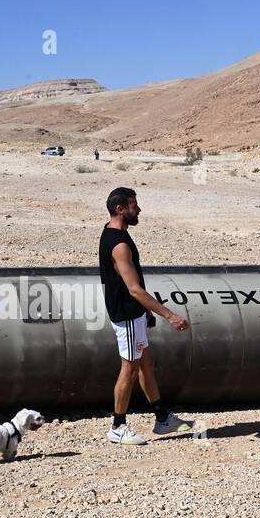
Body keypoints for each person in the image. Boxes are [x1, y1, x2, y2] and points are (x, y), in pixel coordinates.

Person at [98, 186, 194, 444]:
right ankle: (118, 426)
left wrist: (145, 314)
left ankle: (162, 418)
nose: (138, 209)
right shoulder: (118, 244)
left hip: (135, 315)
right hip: (127, 317)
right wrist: (169, 315)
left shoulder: (115, 234)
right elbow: (134, 289)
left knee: (145, 363)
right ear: (120, 209)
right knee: (129, 369)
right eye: (133, 205)